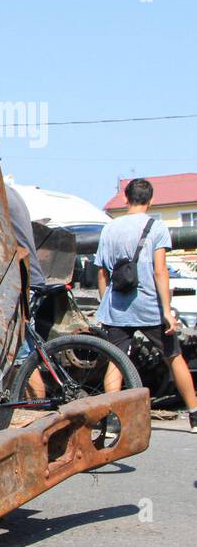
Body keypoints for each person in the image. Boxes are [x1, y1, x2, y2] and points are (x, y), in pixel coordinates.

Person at [94, 178, 197, 431]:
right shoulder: (157, 227)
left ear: (126, 199)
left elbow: (101, 273)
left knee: (116, 361)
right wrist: (166, 310)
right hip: (149, 305)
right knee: (173, 356)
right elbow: (160, 271)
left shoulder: (109, 228)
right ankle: (195, 415)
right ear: (150, 201)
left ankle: (110, 420)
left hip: (117, 306)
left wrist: (105, 303)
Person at [7, 185, 47, 398]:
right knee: (15, 356)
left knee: (22, 357)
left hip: (22, 283)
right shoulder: (9, 191)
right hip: (29, 279)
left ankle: (39, 411)